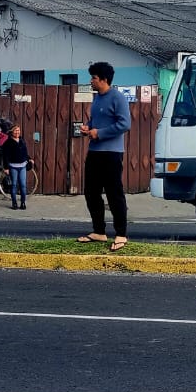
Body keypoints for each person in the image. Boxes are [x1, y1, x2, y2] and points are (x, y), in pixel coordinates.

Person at [76, 61, 131, 251]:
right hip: (94, 152)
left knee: (114, 193)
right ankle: (99, 231)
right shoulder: (97, 99)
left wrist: (99, 133)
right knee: (91, 192)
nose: (91, 81)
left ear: (104, 79)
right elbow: (95, 121)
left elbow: (124, 124)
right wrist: (88, 128)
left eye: (94, 78)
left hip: (112, 153)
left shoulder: (118, 98)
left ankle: (121, 234)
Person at [0, 123, 31, 210]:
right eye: (15, 130)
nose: (17, 132)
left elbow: (25, 152)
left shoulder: (22, 140)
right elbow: (5, 156)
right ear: (12, 132)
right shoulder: (8, 143)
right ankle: (14, 203)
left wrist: (29, 159)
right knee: (14, 185)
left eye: (18, 130)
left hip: (22, 166)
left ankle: (23, 202)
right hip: (13, 166)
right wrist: (6, 168)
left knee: (23, 185)